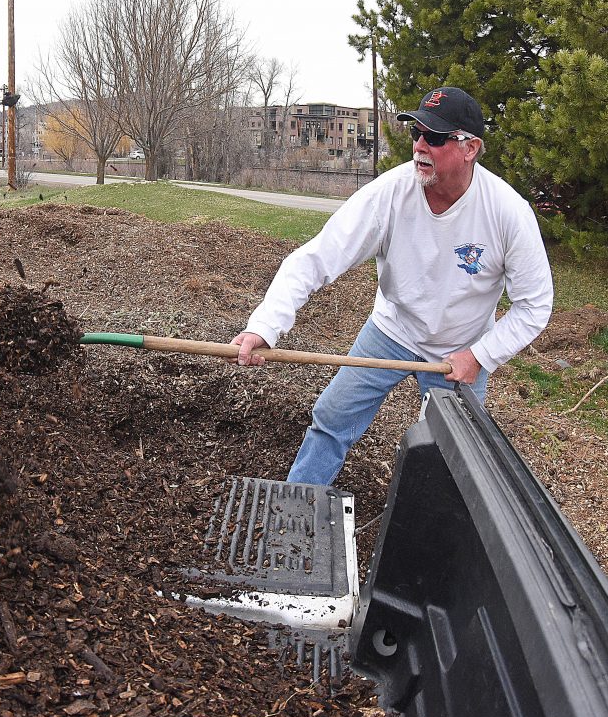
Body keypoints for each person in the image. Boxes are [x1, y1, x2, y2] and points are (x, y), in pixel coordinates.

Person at [229, 86, 552, 486]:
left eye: (434, 138)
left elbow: (535, 306)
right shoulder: (391, 193)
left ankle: (428, 541)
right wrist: (265, 326)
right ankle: (298, 503)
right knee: (331, 419)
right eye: (416, 133)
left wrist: (480, 355)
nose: (420, 146)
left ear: (470, 149)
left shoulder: (507, 212)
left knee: (453, 461)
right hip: (391, 330)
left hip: (460, 348)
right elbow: (316, 258)